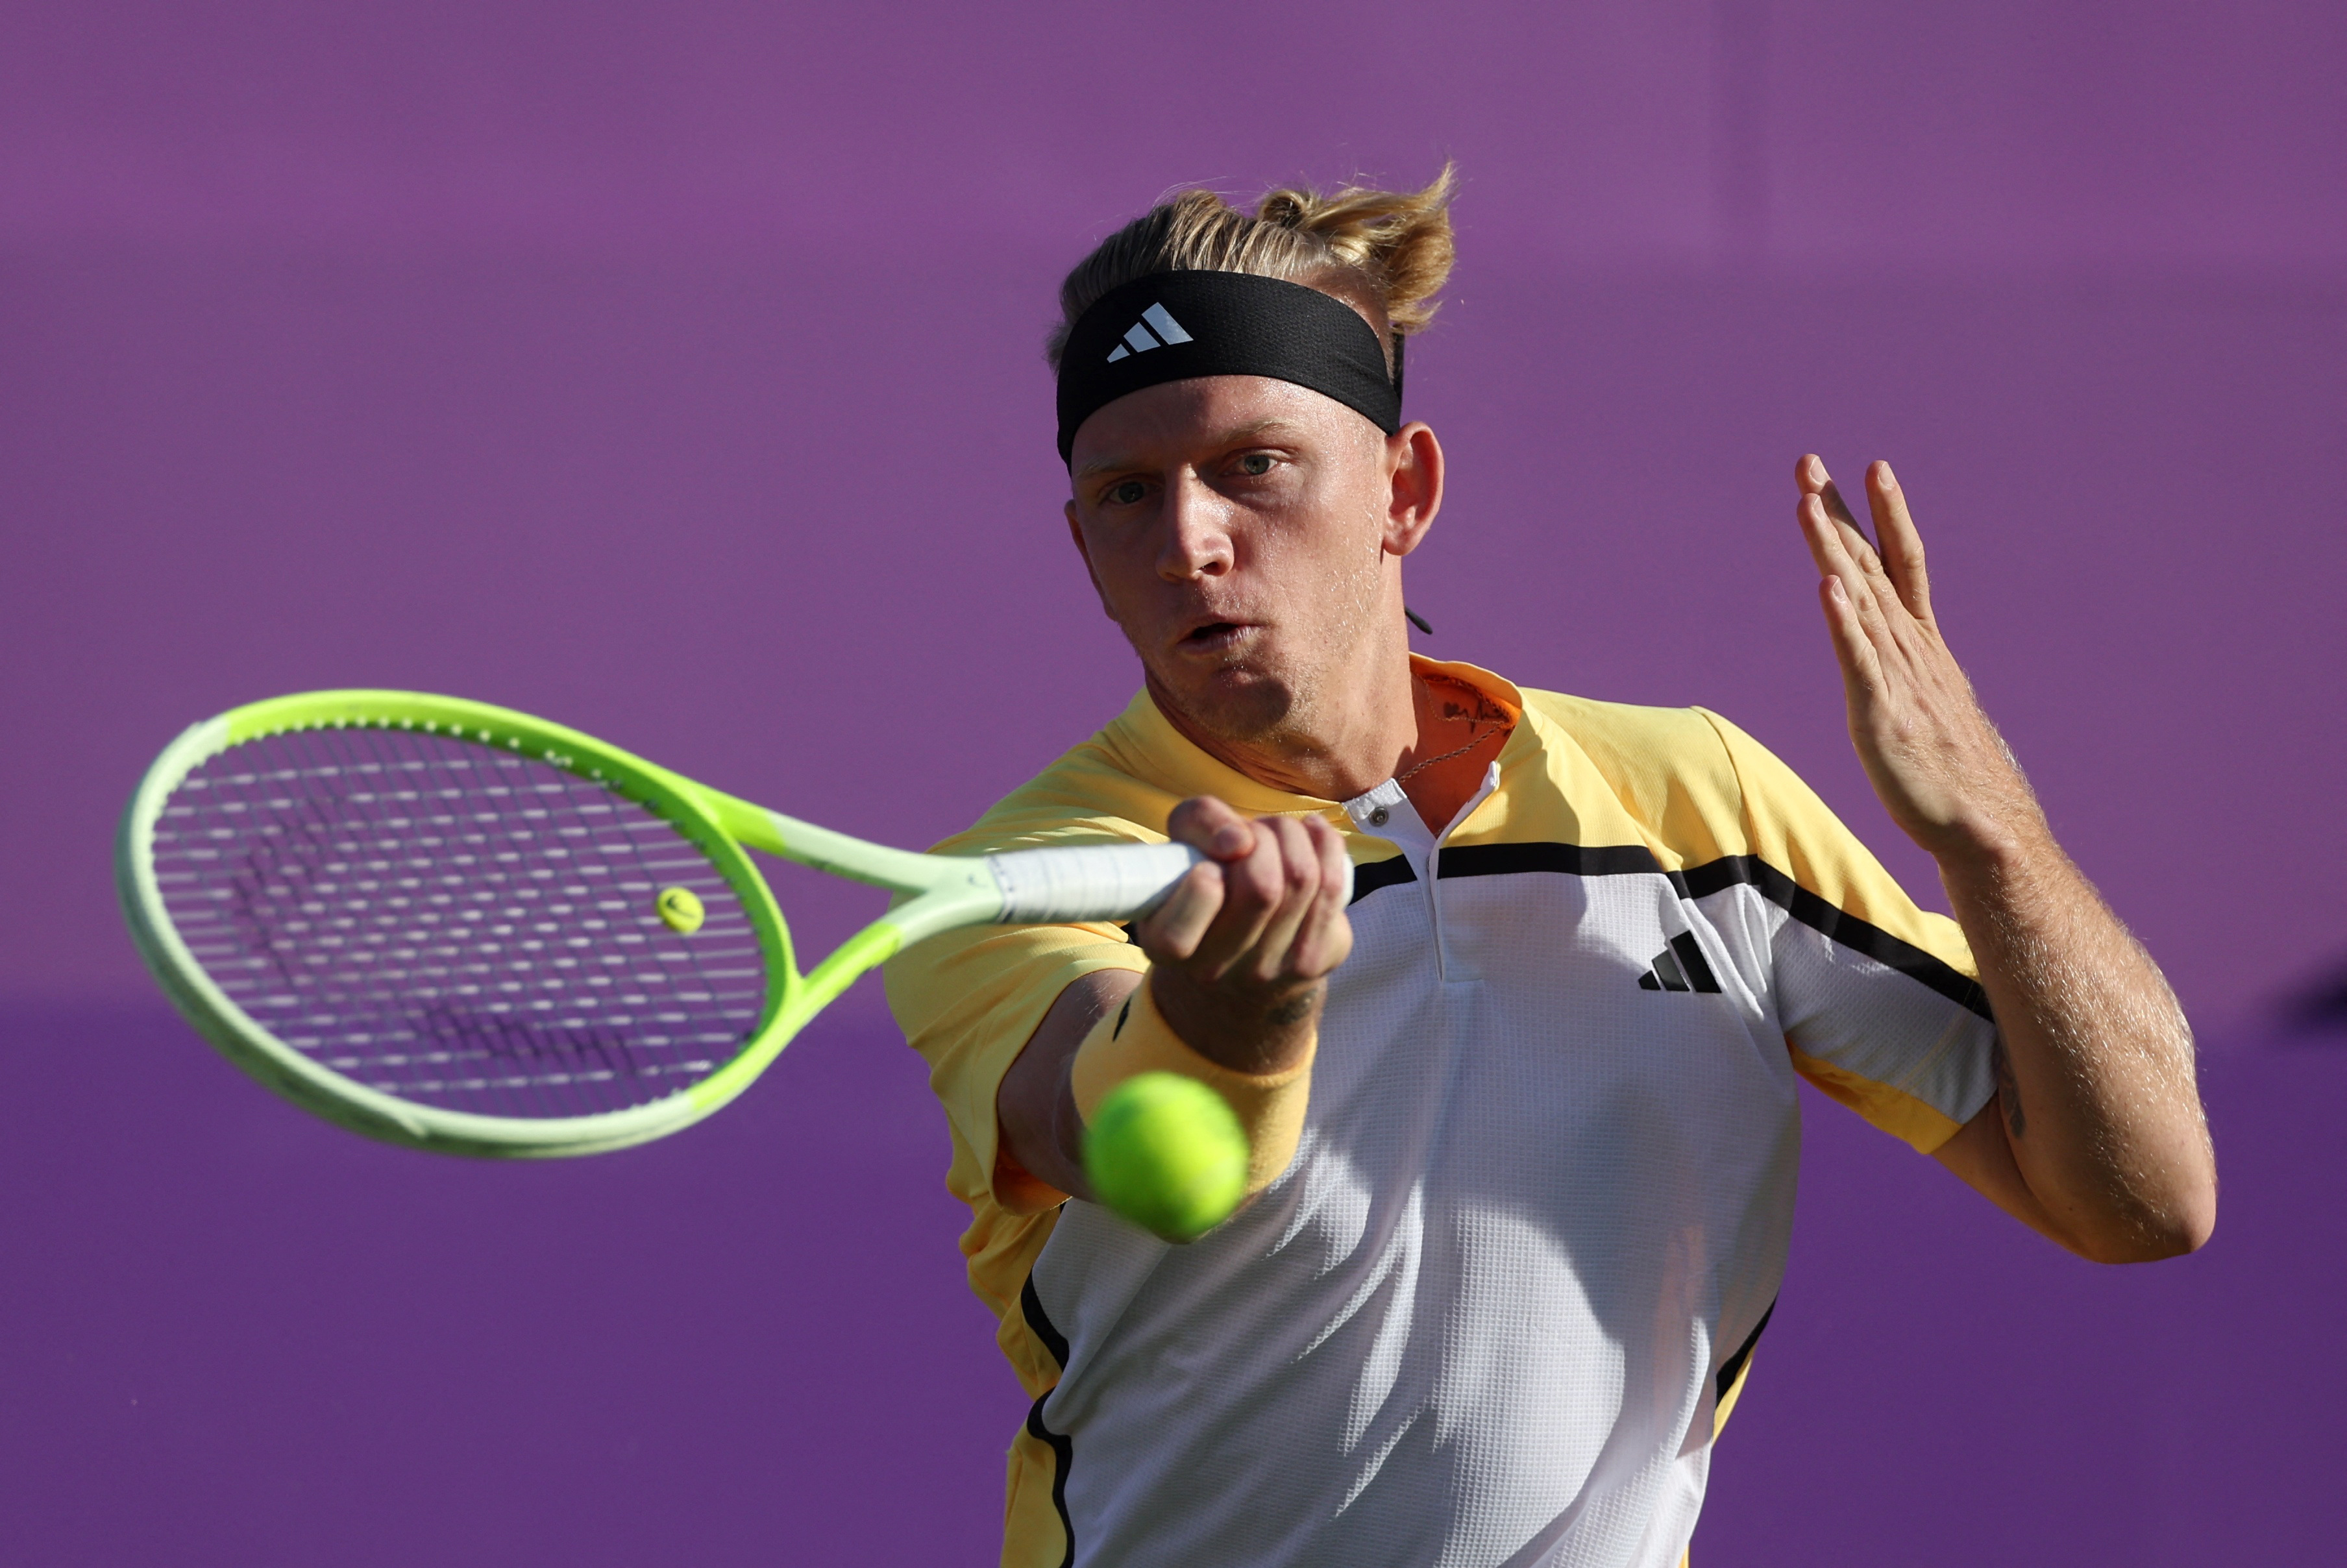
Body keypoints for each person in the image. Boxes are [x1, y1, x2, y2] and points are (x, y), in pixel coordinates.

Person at [882, 167, 2215, 1568]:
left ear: (1401, 493)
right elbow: (1129, 1144)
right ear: (1083, 547)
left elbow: (2141, 1197)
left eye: (1251, 465)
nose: (1187, 540)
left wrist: (1988, 836)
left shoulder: (1689, 804)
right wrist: (1237, 1011)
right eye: (1123, 493)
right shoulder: (1035, 866)